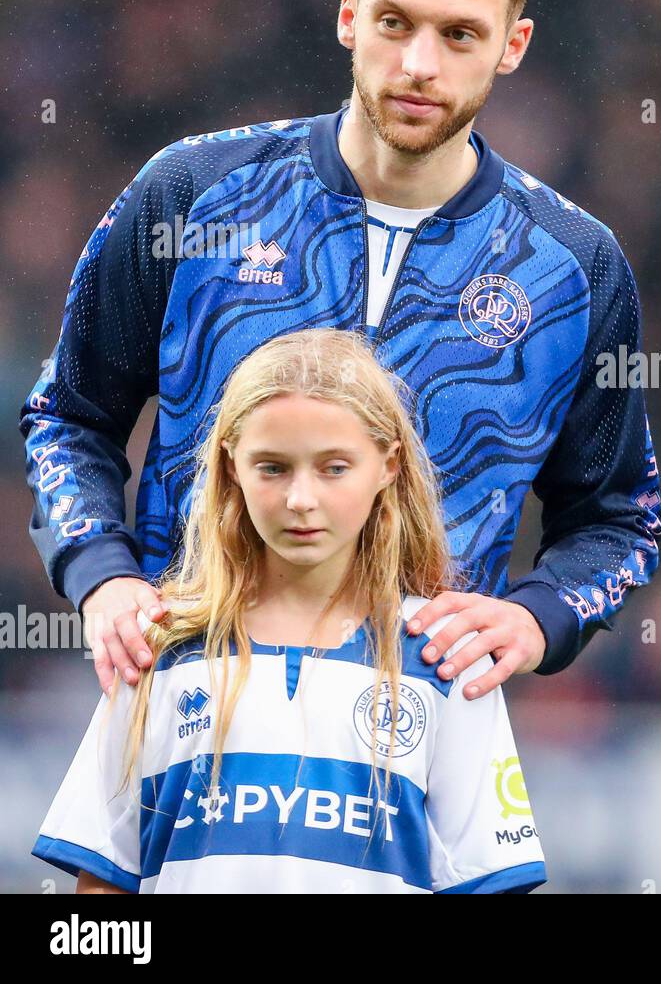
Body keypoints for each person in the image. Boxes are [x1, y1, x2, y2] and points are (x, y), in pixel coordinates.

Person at [20, 0, 661, 700]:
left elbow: (616, 520)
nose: (420, 64)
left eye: (460, 34)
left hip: (418, 733)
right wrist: (103, 575)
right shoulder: (193, 193)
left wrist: (539, 617)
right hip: (182, 703)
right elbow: (69, 417)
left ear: (515, 44)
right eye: (396, 23)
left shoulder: (573, 266)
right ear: (350, 16)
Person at [34, 329, 546, 893]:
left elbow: (488, 883)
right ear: (231, 466)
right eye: (273, 467)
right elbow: (100, 890)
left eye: (334, 468)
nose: (301, 499)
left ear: (389, 465)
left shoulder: (447, 655)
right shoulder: (155, 645)